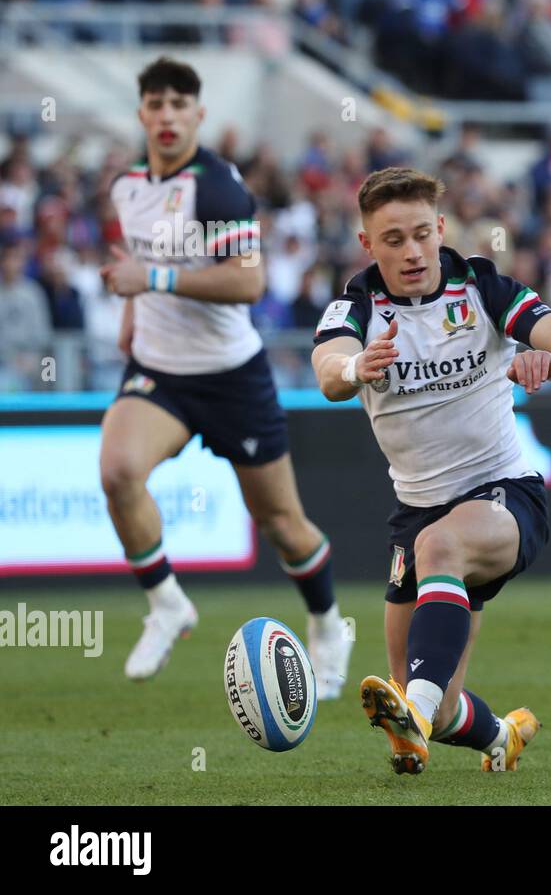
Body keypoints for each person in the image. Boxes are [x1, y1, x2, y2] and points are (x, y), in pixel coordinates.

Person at [311, 167, 551, 774]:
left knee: (438, 547)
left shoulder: (484, 289)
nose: (412, 251)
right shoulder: (358, 306)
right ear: (368, 245)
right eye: (393, 239)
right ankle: (499, 735)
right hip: (415, 511)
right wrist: (355, 366)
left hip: (505, 498)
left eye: (421, 234)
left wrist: (549, 360)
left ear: (440, 229)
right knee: (435, 702)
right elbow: (328, 368)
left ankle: (409, 718)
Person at [99, 57, 352, 695]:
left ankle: (327, 623)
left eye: (178, 105)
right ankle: (167, 605)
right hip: (159, 370)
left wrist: (149, 281)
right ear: (141, 114)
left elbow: (249, 281)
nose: (166, 116)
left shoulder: (215, 189)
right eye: (155, 104)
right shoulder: (127, 186)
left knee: (281, 524)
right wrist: (134, 309)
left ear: (198, 115)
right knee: (118, 471)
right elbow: (145, 254)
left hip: (231, 376)